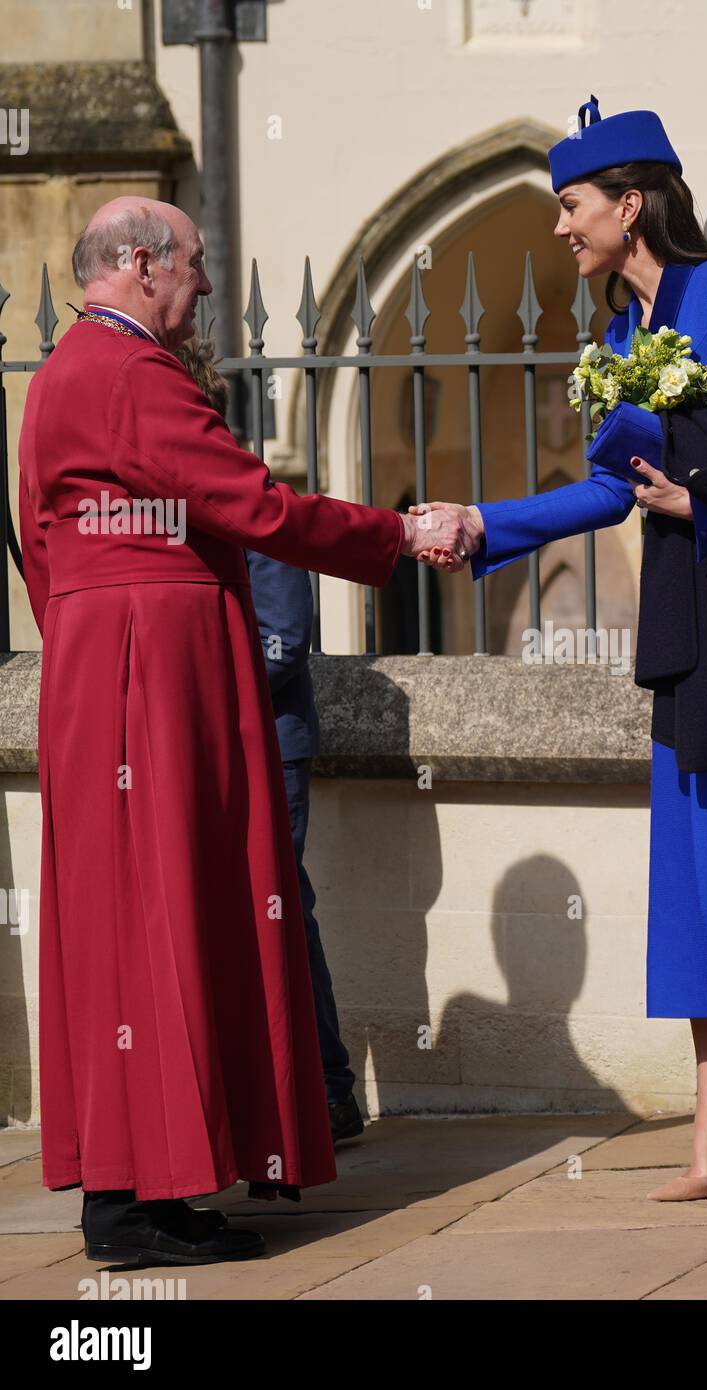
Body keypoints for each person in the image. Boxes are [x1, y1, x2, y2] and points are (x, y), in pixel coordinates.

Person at [413, 94, 707, 1204]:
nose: (562, 230)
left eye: (572, 208)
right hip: (682, 620)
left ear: (631, 204)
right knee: (697, 880)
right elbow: (600, 491)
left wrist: (701, 485)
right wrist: (486, 524)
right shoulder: (620, 337)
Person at [18, 196, 467, 1266]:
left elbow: (41, 551)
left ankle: (149, 1182)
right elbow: (252, 505)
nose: (206, 285)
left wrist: (101, 639)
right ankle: (136, 1200)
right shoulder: (127, 371)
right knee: (160, 911)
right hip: (151, 670)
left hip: (110, 662)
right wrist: (399, 530)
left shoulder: (60, 373)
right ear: (137, 263)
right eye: (195, 263)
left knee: (135, 920)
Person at [177, 337, 365, 1142]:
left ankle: (326, 1091)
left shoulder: (258, 500)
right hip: (214, 746)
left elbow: (284, 642)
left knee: (284, 907)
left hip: (271, 746)